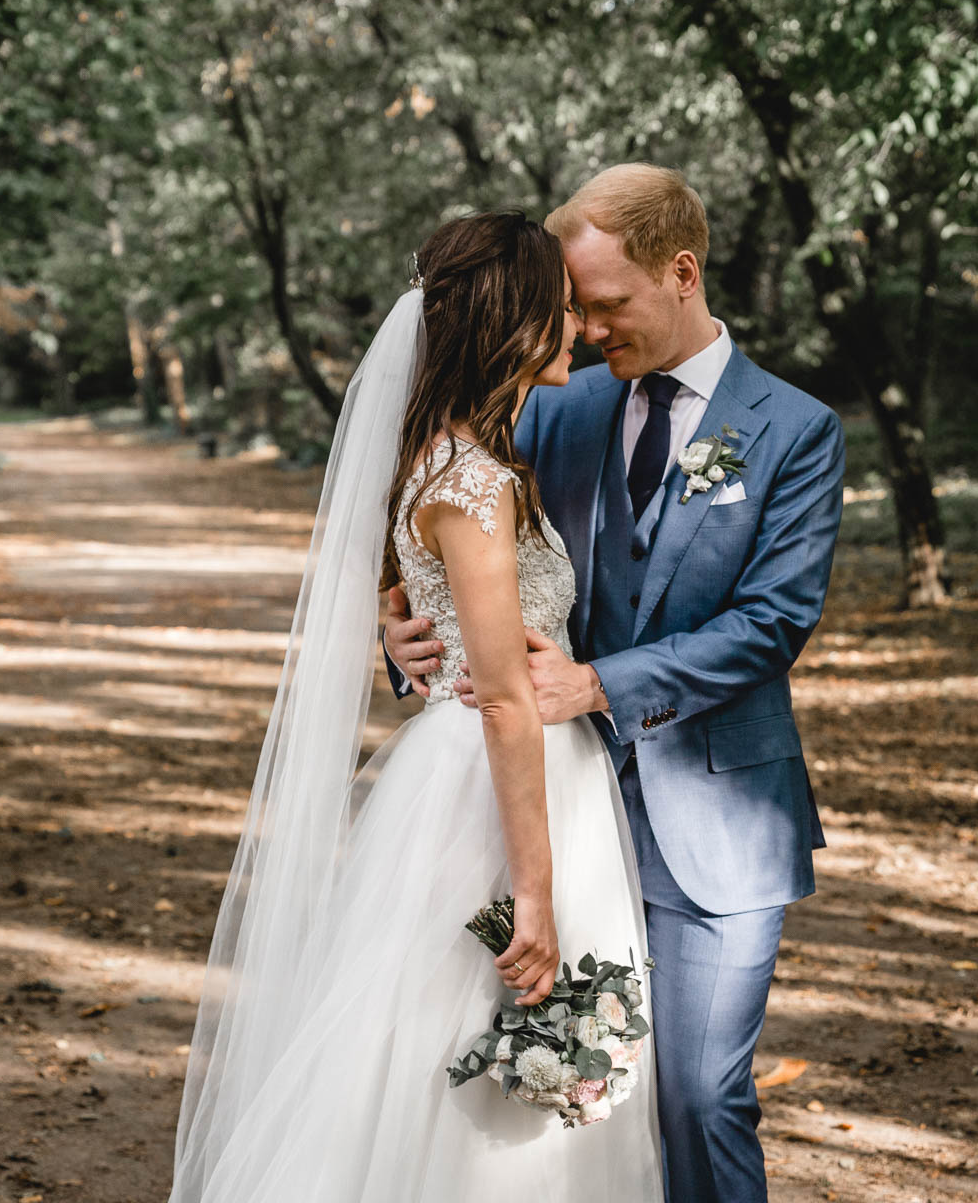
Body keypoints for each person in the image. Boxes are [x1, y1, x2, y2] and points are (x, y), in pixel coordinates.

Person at [170, 211, 664, 1201]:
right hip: (494, 797)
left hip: (505, 783)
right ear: (516, 320)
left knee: (462, 1041)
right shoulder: (471, 484)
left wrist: (409, 639)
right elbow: (506, 705)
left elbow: (427, 620)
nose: (575, 325)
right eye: (561, 307)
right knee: (459, 1044)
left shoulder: (458, 463)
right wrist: (536, 893)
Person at [386, 165, 846, 1203]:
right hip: (547, 814)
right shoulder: (557, 407)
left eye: (607, 303)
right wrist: (407, 633)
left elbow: (771, 623)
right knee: (547, 1105)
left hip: (715, 818)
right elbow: (453, 544)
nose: (587, 329)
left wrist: (598, 682)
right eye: (575, 308)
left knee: (695, 1094)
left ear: (681, 273)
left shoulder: (792, 430)